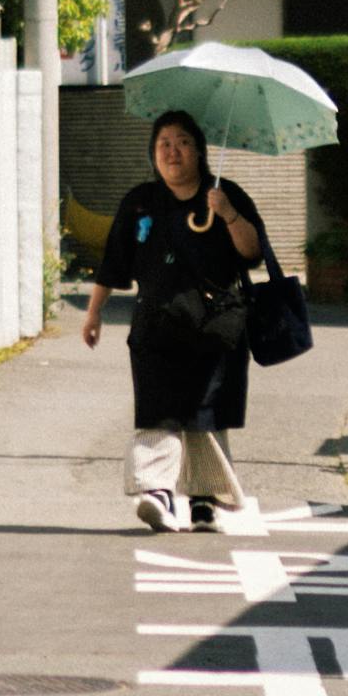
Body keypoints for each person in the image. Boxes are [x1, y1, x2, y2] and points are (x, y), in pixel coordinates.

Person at [82, 104, 267, 529]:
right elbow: (113, 263)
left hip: (214, 326)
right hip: (156, 326)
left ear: (200, 152)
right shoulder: (140, 203)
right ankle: (157, 491)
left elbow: (252, 253)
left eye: (183, 143)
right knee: (156, 410)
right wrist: (93, 312)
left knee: (204, 416)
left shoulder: (226, 195)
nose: (173, 151)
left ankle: (204, 500)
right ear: (153, 154)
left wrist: (228, 214)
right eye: (164, 144)